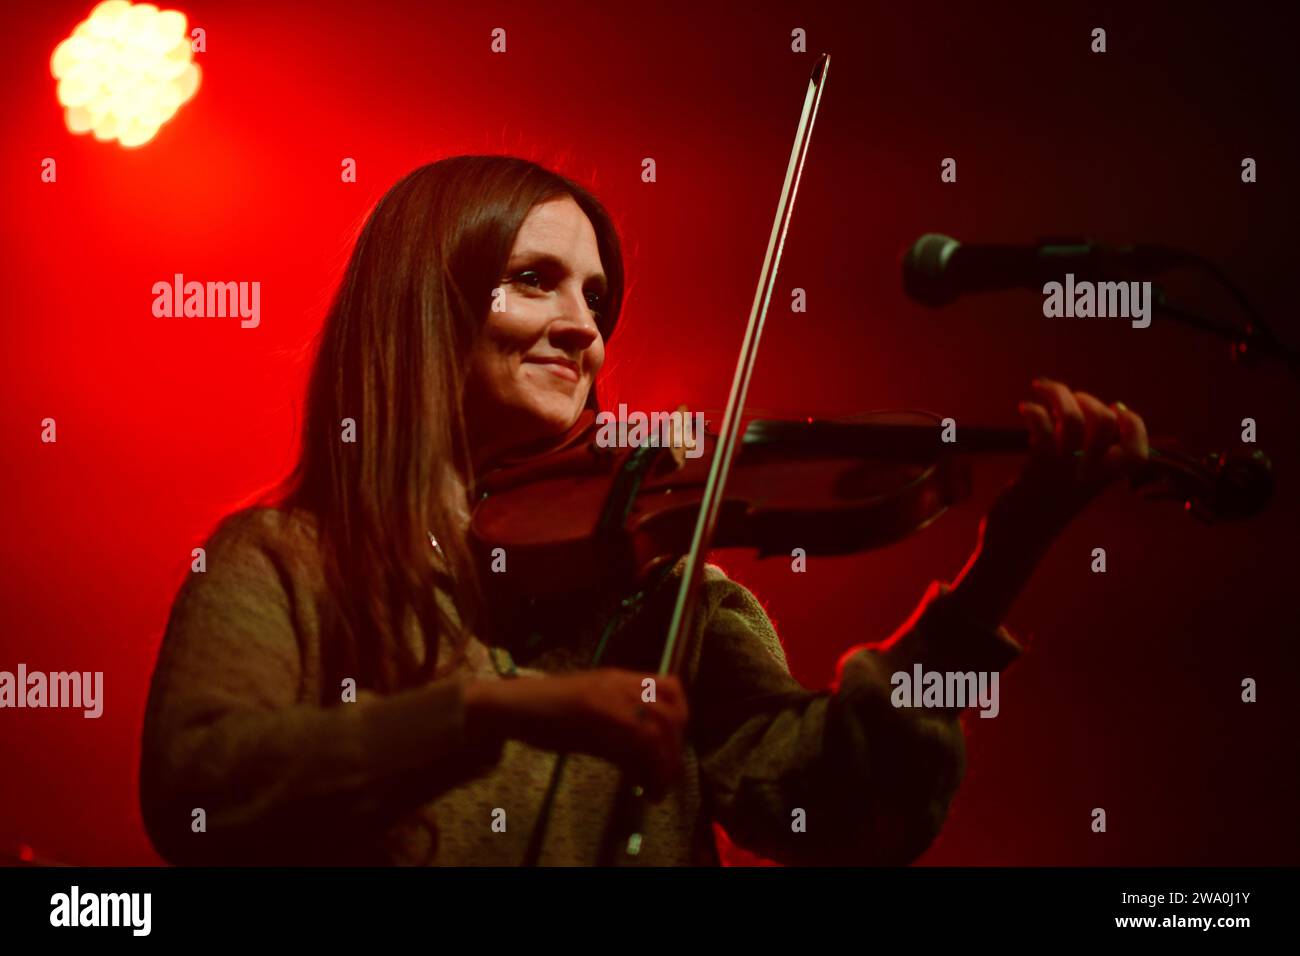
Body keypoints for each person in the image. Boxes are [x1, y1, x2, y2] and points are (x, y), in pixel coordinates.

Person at [138, 155, 1149, 866]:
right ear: (420, 305)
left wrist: (1007, 558)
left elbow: (846, 813)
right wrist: (489, 709)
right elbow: (197, 788)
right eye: (534, 282)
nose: (582, 328)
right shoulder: (281, 559)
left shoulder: (669, 599)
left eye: (596, 299)